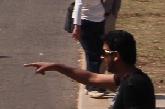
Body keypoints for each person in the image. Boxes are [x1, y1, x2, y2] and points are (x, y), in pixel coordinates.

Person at [26, 28, 154, 107]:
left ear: (116, 55)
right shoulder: (125, 79)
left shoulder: (134, 85)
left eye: (104, 53)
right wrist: (58, 67)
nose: (102, 57)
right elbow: (91, 78)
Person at [71, 0, 109, 96]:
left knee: (99, 54)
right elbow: (79, 6)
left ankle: (96, 84)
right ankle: (91, 87)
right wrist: (77, 26)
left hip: (98, 23)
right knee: (92, 54)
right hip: (87, 24)